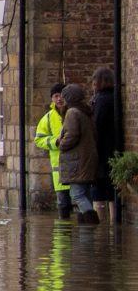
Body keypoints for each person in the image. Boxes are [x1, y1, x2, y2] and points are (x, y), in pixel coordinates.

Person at [58, 82, 102, 223]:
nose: (61, 100)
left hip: (78, 161)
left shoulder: (72, 112)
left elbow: (71, 135)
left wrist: (61, 144)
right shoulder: (85, 111)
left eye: (63, 97)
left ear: (69, 98)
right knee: (85, 193)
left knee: (76, 194)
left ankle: (91, 220)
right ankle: (87, 231)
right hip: (87, 158)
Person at [34, 82, 72, 216]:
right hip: (59, 169)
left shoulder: (74, 113)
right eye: (56, 96)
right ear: (52, 99)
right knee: (63, 204)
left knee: (80, 201)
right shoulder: (48, 118)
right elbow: (39, 139)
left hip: (76, 166)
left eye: (61, 95)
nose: (59, 99)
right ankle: (63, 234)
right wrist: (54, 142)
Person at [92, 65, 121, 220]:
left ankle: (101, 230)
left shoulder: (101, 100)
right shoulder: (115, 97)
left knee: (99, 192)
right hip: (115, 149)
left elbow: (97, 127)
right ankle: (113, 227)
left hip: (103, 151)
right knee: (112, 191)